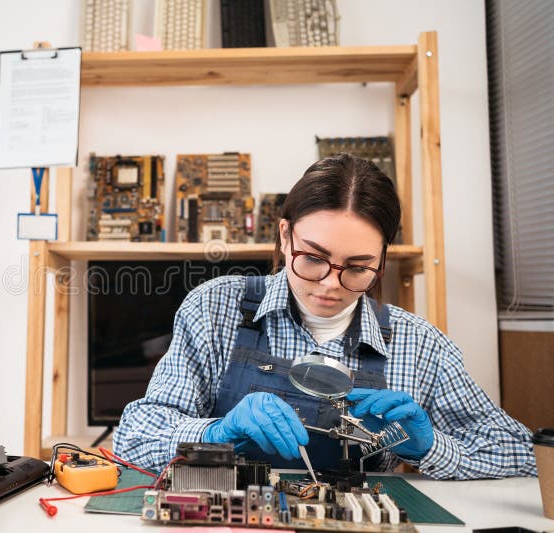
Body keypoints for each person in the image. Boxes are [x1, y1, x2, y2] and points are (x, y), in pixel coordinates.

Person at [113, 153, 537, 480]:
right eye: (313, 258)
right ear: (284, 237)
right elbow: (133, 437)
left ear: (382, 260)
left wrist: (429, 448)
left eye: (357, 267)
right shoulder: (214, 308)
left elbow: (524, 453)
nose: (331, 284)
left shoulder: (419, 344)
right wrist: (215, 433)